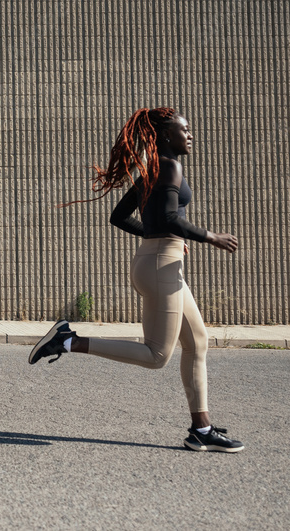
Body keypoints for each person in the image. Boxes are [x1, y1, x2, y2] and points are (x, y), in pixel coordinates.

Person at [30, 107, 244, 453]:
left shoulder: (152, 171)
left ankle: (201, 429)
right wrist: (210, 236)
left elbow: (120, 217)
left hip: (157, 260)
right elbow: (170, 217)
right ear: (166, 135)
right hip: (161, 266)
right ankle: (69, 341)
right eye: (184, 130)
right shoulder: (169, 167)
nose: (190, 135)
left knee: (197, 342)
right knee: (156, 355)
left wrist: (159, 236)